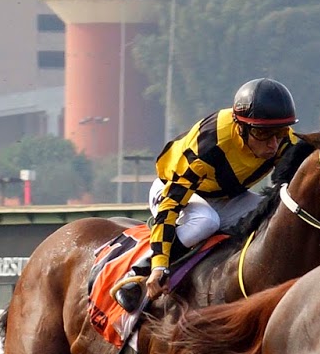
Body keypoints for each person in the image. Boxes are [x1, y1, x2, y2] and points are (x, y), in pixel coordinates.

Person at [115, 78, 300, 310]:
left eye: (280, 132)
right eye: (263, 134)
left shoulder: (284, 140)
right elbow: (170, 205)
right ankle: (138, 272)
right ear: (241, 127)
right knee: (206, 221)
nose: (273, 144)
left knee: (277, 213)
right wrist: (159, 266)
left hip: (225, 196)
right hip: (172, 191)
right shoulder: (209, 146)